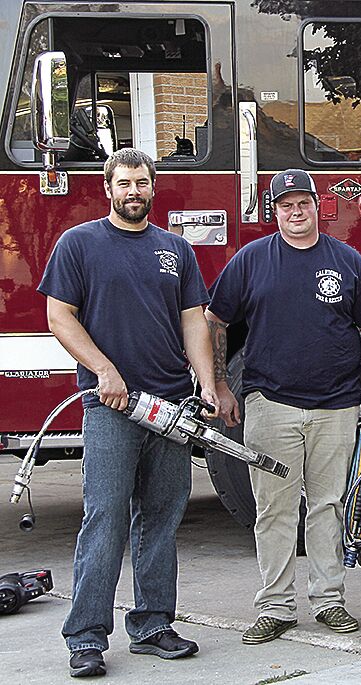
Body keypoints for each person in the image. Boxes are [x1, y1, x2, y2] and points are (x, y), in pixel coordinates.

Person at [38, 148, 218, 678]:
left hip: (170, 407)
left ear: (153, 187)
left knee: (160, 519)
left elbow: (193, 320)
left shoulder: (175, 249)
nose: (133, 191)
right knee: (105, 519)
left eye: (142, 182)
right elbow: (59, 316)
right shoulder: (79, 244)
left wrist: (207, 384)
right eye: (124, 183)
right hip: (111, 406)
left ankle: (153, 625)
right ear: (107, 188)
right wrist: (104, 371)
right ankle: (86, 637)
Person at [206, 168, 361, 642]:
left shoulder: (347, 260)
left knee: (328, 506)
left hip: (337, 406)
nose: (295, 211)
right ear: (274, 211)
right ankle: (275, 607)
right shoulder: (251, 260)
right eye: (285, 205)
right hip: (271, 405)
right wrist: (220, 384)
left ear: (317, 205)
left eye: (303, 202)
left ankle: (329, 601)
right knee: (274, 509)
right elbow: (214, 320)